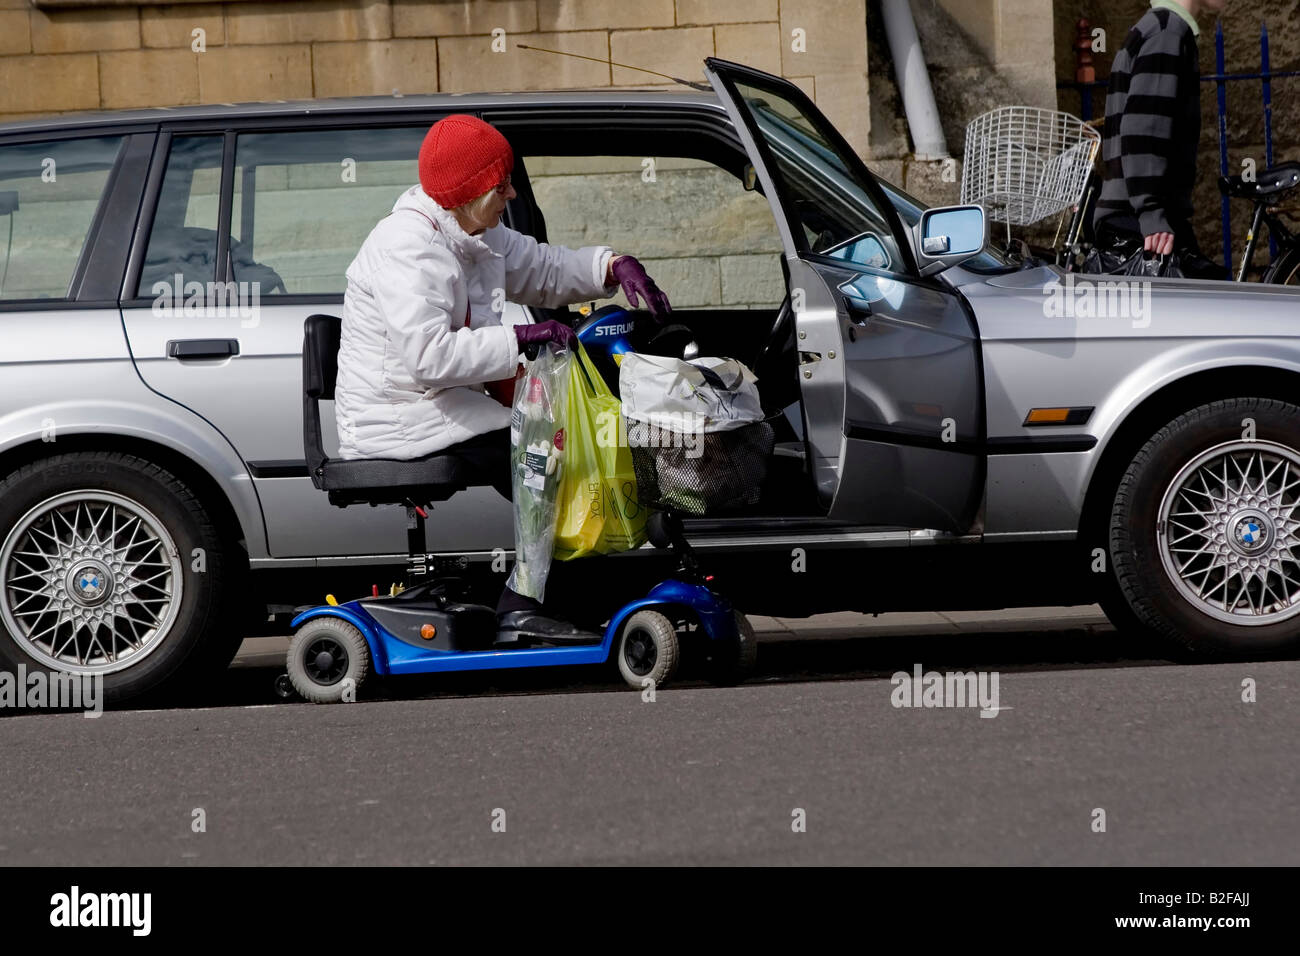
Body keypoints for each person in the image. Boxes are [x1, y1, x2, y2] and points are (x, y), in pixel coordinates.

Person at [335, 114, 671, 639]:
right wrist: (520, 340)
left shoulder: (474, 232)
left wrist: (611, 266)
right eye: (501, 184)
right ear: (468, 192)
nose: (510, 192)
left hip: (438, 405)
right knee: (541, 453)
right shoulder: (406, 246)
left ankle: (556, 589)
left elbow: (544, 267)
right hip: (396, 416)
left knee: (554, 447)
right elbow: (428, 357)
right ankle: (524, 602)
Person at [1091, 0, 1228, 280]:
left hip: (1137, 218)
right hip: (1141, 224)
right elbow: (1143, 128)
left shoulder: (1160, 28)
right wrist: (1152, 213)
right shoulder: (1167, 31)